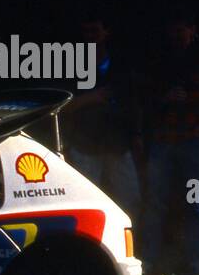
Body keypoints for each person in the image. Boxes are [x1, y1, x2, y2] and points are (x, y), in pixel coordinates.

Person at [142, 9, 199, 275]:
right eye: (175, 29)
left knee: (194, 201)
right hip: (163, 141)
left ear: (193, 30)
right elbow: (144, 98)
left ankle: (194, 260)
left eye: (184, 29)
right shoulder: (159, 61)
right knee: (156, 202)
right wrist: (165, 98)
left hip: (192, 141)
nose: (179, 35)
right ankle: (150, 261)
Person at [59, 13, 142, 216]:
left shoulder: (121, 64)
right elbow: (61, 106)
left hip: (118, 144)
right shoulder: (72, 65)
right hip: (84, 145)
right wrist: (91, 98)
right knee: (85, 204)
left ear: (106, 32)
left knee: (129, 202)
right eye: (86, 31)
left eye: (95, 30)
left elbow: (134, 103)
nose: (90, 36)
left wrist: (136, 136)